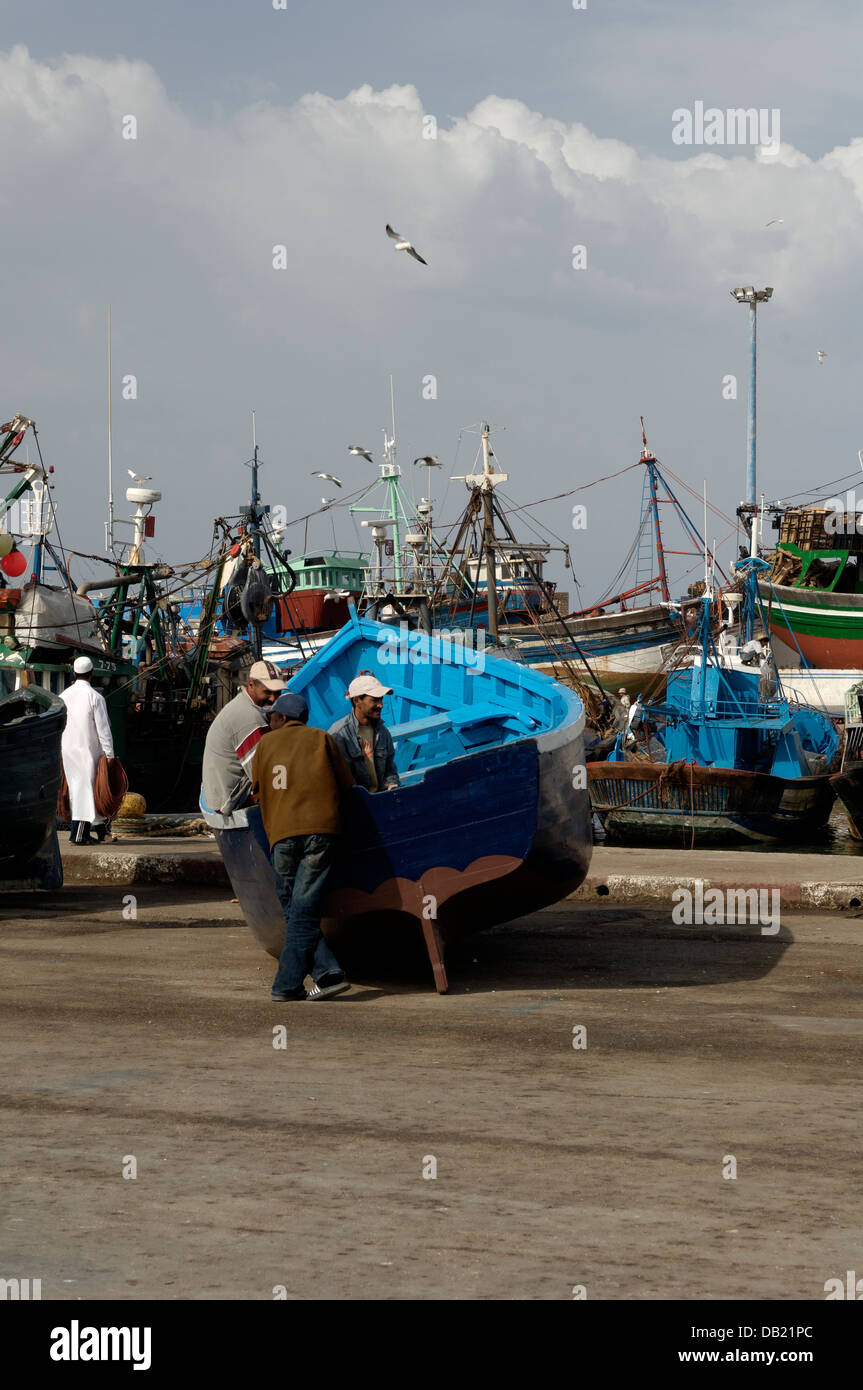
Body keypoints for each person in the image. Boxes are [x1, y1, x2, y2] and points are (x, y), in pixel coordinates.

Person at [251, 692, 355, 1001]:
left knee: (296, 908)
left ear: (281, 718)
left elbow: (256, 794)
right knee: (301, 909)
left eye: (272, 717)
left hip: (282, 834)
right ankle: (327, 973)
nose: (270, 721)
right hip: (321, 832)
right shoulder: (322, 739)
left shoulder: (265, 745)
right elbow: (347, 785)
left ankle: (286, 985)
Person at [200, 659, 286, 826]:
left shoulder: (242, 705)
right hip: (231, 799)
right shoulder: (250, 719)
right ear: (251, 685)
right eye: (268, 692)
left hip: (222, 792)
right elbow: (262, 775)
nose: (273, 698)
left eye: (277, 692)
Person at [59, 656, 115, 845]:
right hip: (88, 751)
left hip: (67, 750)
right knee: (91, 791)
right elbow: (104, 729)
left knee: (80, 790)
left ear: (74, 673)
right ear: (92, 674)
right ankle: (78, 834)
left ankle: (102, 831)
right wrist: (110, 755)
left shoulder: (63, 696)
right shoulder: (95, 697)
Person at [328, 671, 399, 792]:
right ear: (356, 700)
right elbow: (338, 780)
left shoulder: (382, 731)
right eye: (375, 700)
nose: (380, 705)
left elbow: (390, 768)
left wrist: (391, 783)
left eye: (381, 699)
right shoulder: (339, 734)